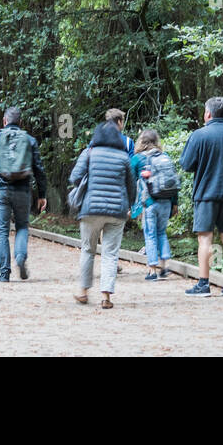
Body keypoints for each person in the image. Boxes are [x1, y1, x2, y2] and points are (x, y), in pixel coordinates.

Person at [179, 96, 223, 297]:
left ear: (208, 114)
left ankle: (203, 283)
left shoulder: (199, 136)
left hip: (205, 193)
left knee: (205, 239)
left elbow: (186, 164)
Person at [70, 122, 137, 309]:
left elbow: (75, 177)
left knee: (88, 250)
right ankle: (106, 297)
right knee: (110, 254)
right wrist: (130, 205)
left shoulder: (89, 153)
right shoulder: (124, 157)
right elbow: (131, 186)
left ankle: (83, 292)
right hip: (117, 211)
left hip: (91, 209)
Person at [0, 108, 48, 282]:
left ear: (4, 121)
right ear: (21, 122)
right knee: (22, 226)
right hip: (23, 189)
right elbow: (39, 169)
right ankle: (20, 256)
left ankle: (4, 274)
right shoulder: (30, 140)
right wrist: (42, 194)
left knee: (2, 231)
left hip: (1, 188)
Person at [131, 129, 179, 281]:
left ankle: (152, 270)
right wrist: (175, 203)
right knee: (161, 232)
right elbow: (173, 181)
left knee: (150, 234)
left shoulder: (137, 159)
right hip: (166, 201)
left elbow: (130, 181)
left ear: (141, 141)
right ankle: (165, 266)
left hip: (150, 202)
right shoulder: (164, 157)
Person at [105, 108, 135, 274]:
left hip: (100, 189)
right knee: (115, 226)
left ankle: (109, 259)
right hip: (120, 190)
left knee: (104, 225)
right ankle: (112, 260)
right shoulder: (128, 142)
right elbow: (130, 169)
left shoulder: (97, 139)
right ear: (119, 122)